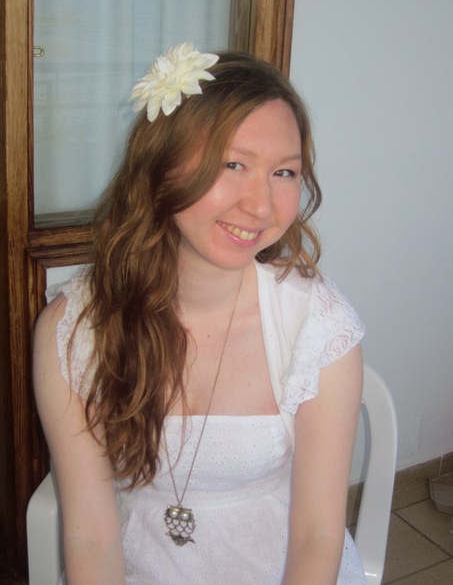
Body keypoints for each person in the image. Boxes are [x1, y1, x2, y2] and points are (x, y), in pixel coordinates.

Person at [34, 42, 367, 584]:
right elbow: (91, 536)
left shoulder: (318, 327)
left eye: (285, 173)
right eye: (233, 164)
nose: (261, 205)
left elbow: (318, 536)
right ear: (163, 169)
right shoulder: (76, 331)